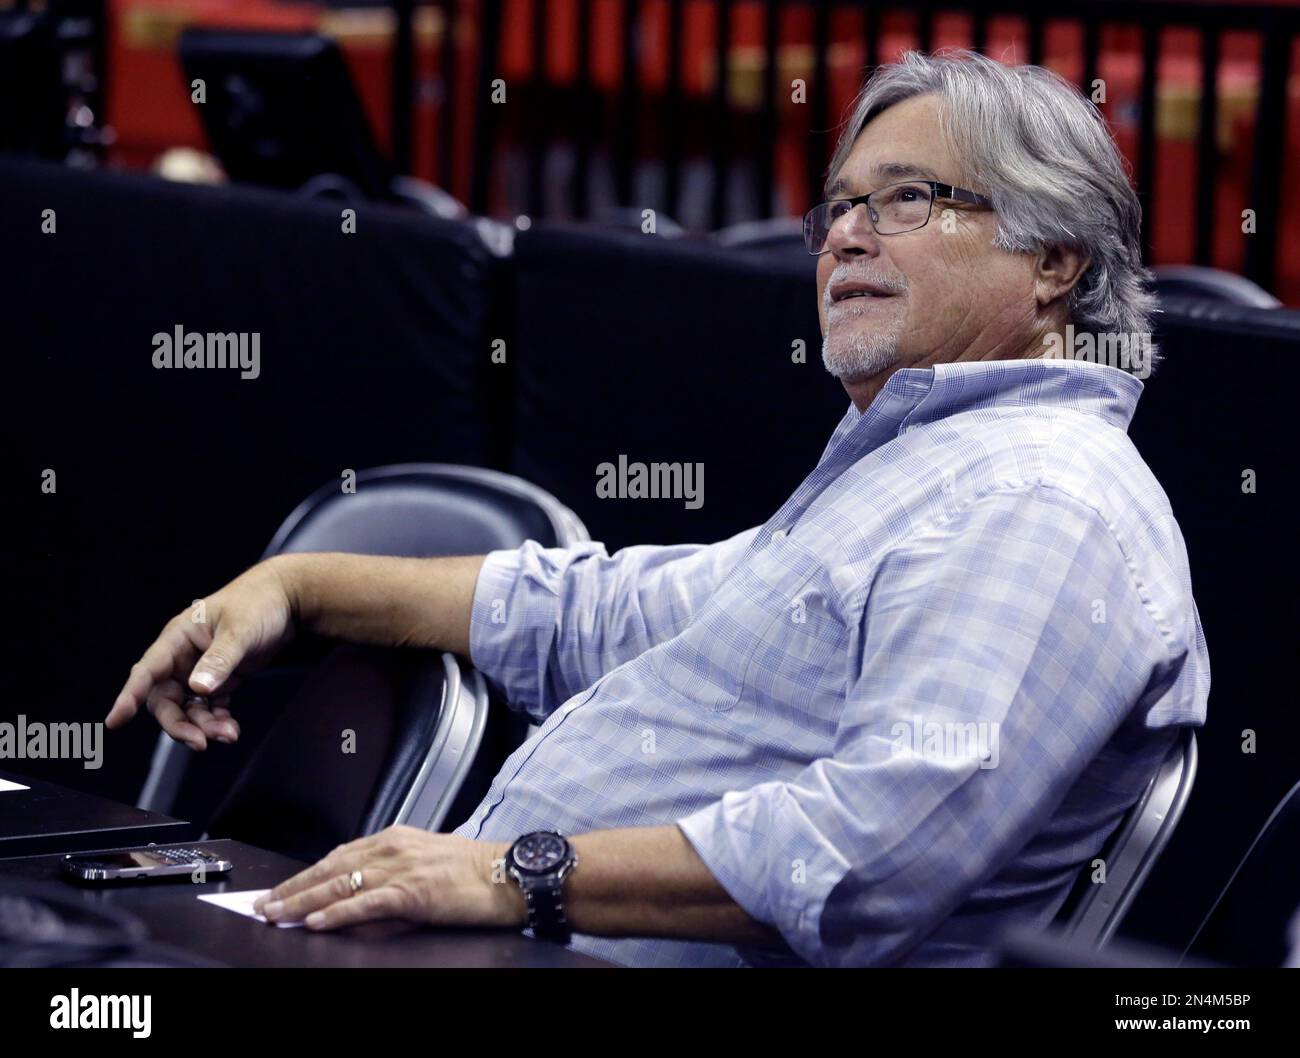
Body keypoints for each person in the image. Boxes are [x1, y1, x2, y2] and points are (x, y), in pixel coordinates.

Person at [105, 50, 1209, 967]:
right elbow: (590, 611)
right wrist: (294, 585)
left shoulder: (1037, 501)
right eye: (840, 206)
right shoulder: (929, 470)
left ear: (1054, 260)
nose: (844, 238)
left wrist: (509, 872)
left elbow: (872, 851)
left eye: (908, 198)